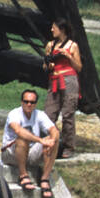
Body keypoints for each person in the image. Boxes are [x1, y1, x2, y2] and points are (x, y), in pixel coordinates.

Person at [1, 89, 59, 198]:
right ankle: (23, 175)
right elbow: (19, 130)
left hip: (30, 153)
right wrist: (40, 140)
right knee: (23, 138)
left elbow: (54, 130)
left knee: (54, 140)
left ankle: (44, 179)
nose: (29, 104)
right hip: (11, 153)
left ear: (35, 104)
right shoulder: (14, 114)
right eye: (26, 101)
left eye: (32, 102)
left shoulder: (40, 114)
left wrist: (51, 140)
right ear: (21, 102)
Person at [43, 19, 81, 158]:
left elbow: (78, 67)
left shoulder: (72, 46)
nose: (52, 30)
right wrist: (49, 65)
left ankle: (69, 146)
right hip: (54, 80)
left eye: (54, 28)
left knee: (68, 114)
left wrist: (68, 57)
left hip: (69, 80)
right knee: (48, 114)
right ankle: (51, 142)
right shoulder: (50, 45)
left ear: (62, 29)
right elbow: (45, 65)